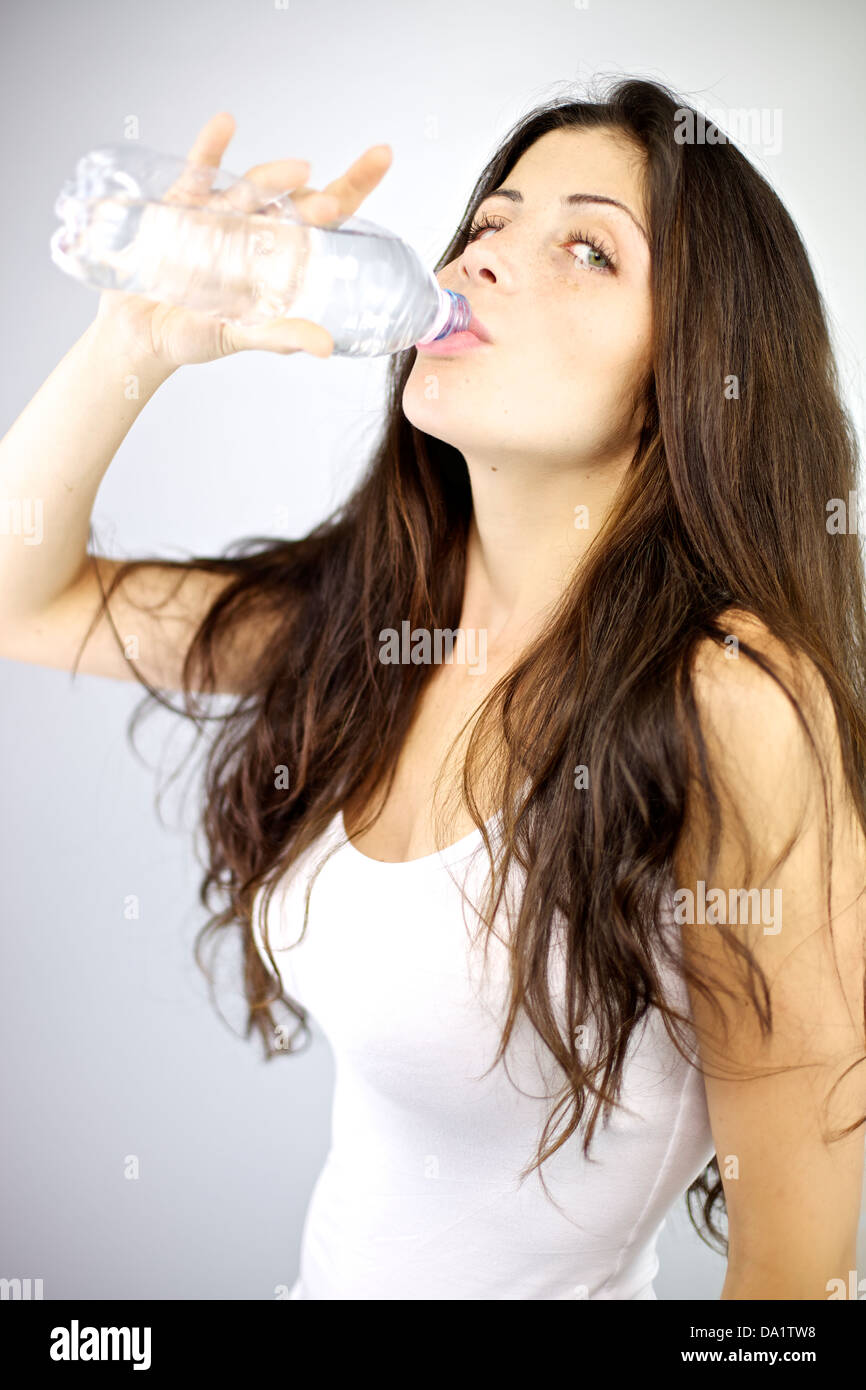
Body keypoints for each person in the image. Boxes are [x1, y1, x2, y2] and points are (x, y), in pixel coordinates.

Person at [2, 77, 865, 1300]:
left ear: (691, 373)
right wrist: (131, 342)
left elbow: (796, 1274)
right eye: (493, 220)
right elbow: (18, 597)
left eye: (586, 247)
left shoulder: (731, 701)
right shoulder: (371, 625)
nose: (489, 257)